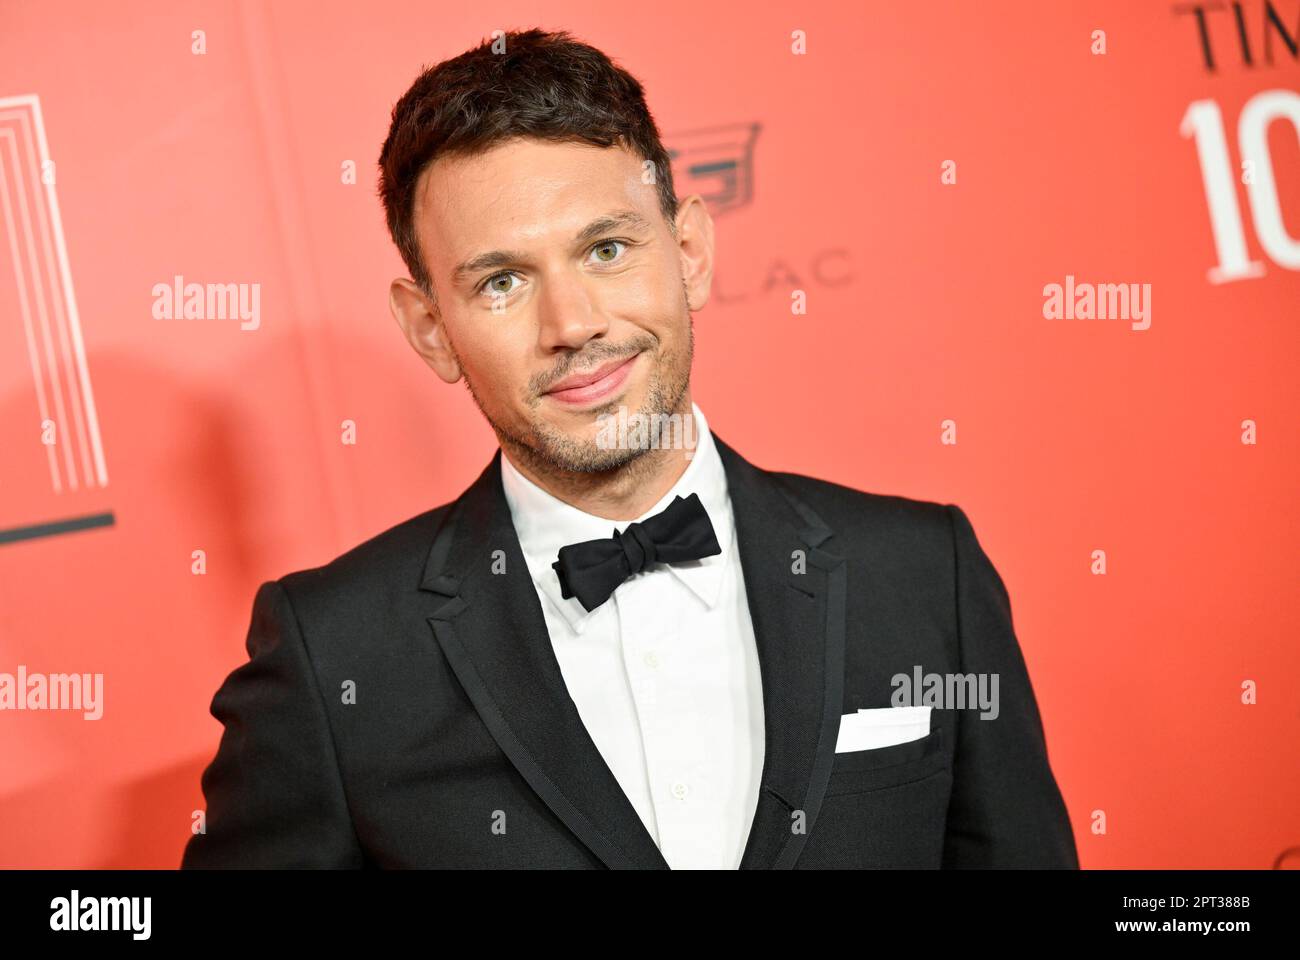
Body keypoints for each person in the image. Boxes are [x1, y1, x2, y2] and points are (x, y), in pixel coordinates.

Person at [182, 28, 1077, 870]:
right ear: (431, 330)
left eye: (607, 249)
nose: (573, 326)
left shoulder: (926, 576)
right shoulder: (334, 659)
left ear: (688, 252)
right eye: (501, 283)